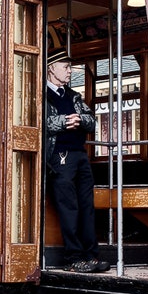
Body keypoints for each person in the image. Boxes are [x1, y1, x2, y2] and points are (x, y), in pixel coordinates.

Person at [44, 48, 110, 273]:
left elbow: (91, 121)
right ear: (51, 69)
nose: (70, 71)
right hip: (58, 157)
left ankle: (90, 256)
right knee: (69, 207)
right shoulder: (40, 95)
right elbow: (37, 122)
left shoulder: (73, 96)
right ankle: (73, 258)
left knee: (86, 206)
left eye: (70, 67)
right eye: (66, 67)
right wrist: (63, 122)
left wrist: (80, 119)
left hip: (79, 155)